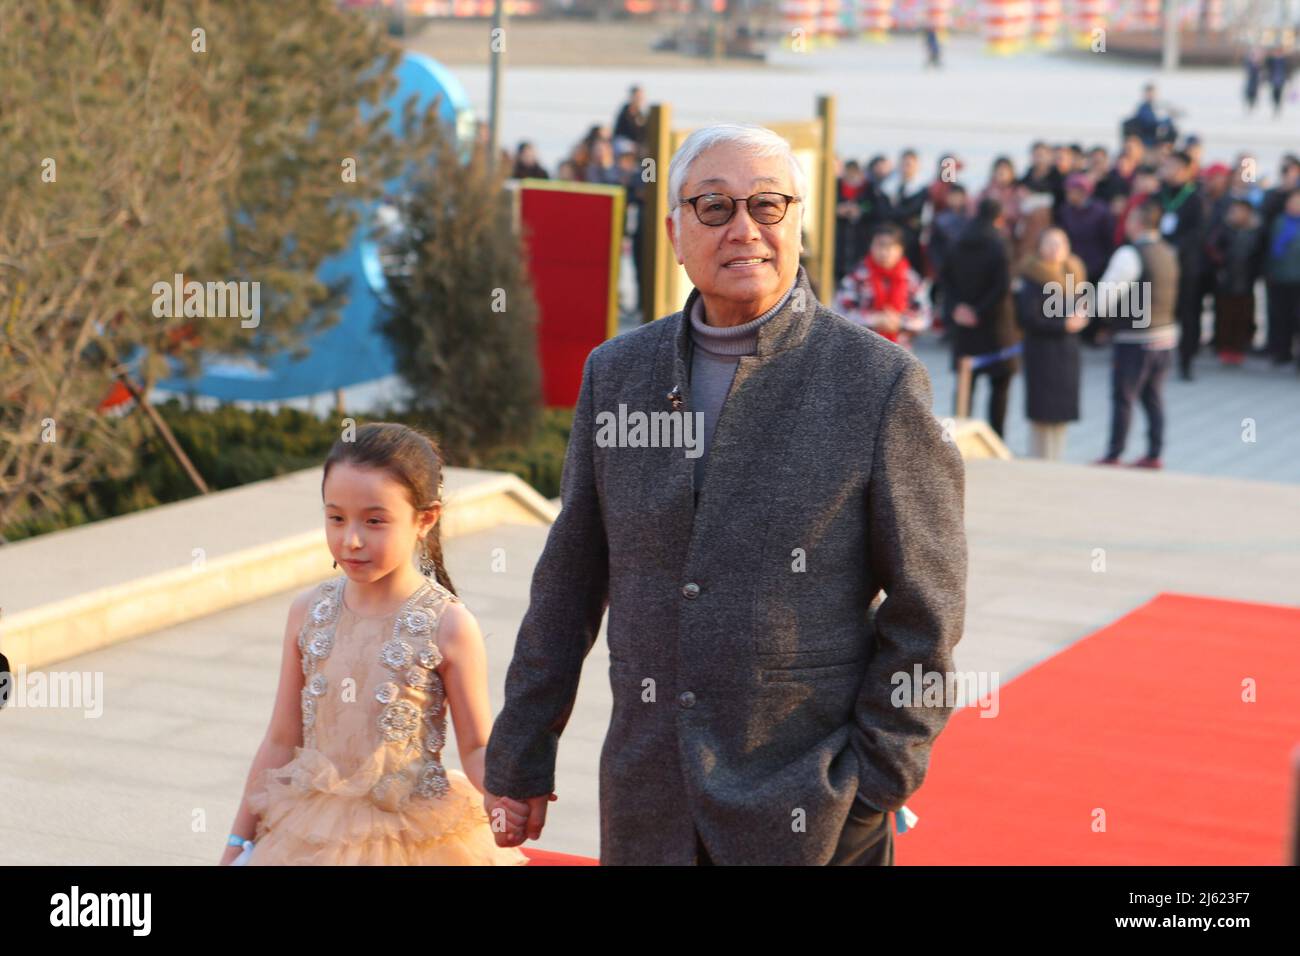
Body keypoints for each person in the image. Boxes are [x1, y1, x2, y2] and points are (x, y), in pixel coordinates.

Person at [482, 122, 968, 866]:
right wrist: (520, 756)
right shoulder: (619, 374)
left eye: (768, 206)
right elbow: (569, 578)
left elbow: (926, 611)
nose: (745, 228)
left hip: (812, 810)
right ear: (675, 232)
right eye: (715, 207)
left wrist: (878, 781)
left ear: (798, 223)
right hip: (649, 798)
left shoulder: (877, 383)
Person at [223, 424, 529, 866]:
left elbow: (477, 745)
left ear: (425, 518)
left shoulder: (448, 624)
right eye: (336, 518)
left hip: (413, 834)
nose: (351, 539)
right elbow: (280, 739)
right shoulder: (307, 611)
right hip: (308, 833)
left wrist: (505, 799)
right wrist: (239, 844)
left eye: (374, 521)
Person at [1094, 199, 1180, 469]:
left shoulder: (1129, 254)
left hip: (1135, 337)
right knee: (1154, 396)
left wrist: (1103, 317)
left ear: (1138, 223)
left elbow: (1105, 294)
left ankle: (1114, 453)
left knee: (1124, 396)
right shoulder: (1168, 252)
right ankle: (1155, 453)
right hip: (1165, 335)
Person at [942, 197, 1021, 438]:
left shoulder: (958, 240)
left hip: (964, 325)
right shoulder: (1000, 243)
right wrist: (980, 311)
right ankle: (997, 439)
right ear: (999, 218)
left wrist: (959, 308)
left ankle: (957, 439)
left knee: (966, 385)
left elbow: (945, 279)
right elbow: (1002, 286)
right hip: (997, 325)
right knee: (1000, 387)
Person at [1013, 228, 1088, 459]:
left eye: (1061, 244)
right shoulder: (1031, 276)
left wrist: (1081, 318)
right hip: (1042, 351)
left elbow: (1083, 305)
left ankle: (1057, 460)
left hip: (1067, 352)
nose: (1056, 249)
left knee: (1060, 415)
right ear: (1040, 247)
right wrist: (1063, 325)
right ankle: (1039, 459)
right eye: (1050, 243)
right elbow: (1028, 318)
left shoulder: (1074, 273)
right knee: (1042, 415)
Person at [834, 222, 929, 347]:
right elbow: (841, 313)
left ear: (901, 249)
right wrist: (874, 319)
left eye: (890, 247)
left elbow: (924, 317)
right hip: (861, 348)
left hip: (901, 351)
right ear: (870, 247)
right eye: (879, 246)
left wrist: (899, 321)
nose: (884, 252)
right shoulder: (856, 277)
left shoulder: (911, 280)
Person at [1156, 151, 1206, 380]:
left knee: (1188, 313)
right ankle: (1155, 361)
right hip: (1159, 266)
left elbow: (1198, 232)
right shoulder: (1159, 195)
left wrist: (1175, 249)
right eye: (1167, 166)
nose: (1169, 171)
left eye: (1174, 166)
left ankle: (1186, 361)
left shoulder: (1196, 198)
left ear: (1187, 170)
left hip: (1186, 266)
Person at [1207, 198, 1266, 365]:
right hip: (1225, 279)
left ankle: (1240, 347)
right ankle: (1223, 347)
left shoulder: (1256, 231)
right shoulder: (1223, 229)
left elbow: (1260, 253)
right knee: (1224, 315)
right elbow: (1212, 248)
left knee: (1243, 315)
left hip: (1247, 281)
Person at [1263, 187, 1300, 367]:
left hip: (1297, 278)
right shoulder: (1279, 221)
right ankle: (1281, 352)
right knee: (1280, 316)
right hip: (1279, 276)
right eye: (1292, 201)